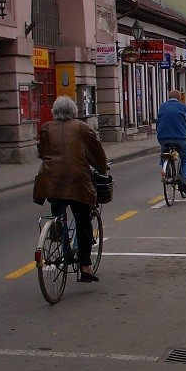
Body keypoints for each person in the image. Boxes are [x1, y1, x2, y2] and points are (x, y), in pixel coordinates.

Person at [33, 95, 108, 283]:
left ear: (54, 113)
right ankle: (85, 267)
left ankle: (59, 239)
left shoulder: (46, 129)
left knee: (58, 214)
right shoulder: (82, 128)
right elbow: (96, 152)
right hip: (77, 183)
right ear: (74, 112)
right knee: (83, 222)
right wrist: (101, 167)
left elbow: (42, 152)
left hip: (51, 183)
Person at [156, 89, 186, 194]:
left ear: (169, 97)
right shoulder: (183, 107)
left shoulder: (162, 107)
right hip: (180, 139)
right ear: (179, 98)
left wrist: (160, 134)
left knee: (164, 154)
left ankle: (166, 170)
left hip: (163, 138)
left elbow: (158, 122)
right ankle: (184, 181)